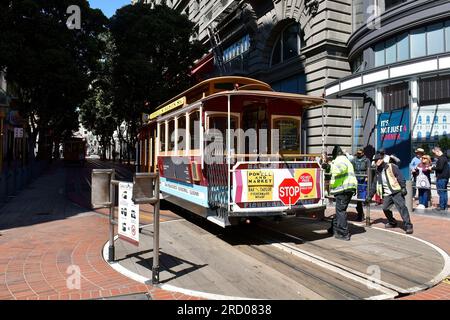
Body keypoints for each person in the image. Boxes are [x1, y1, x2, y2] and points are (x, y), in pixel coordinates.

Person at [366, 152, 414, 234]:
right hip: (387, 194)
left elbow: (400, 177)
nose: (375, 162)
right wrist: (370, 195)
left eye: (377, 160)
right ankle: (392, 222)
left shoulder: (391, 166)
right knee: (385, 208)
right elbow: (374, 184)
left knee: (402, 207)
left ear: (381, 160)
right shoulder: (377, 171)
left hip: (396, 191)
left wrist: (403, 187)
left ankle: (408, 225)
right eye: (375, 160)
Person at [322, 146, 358, 240]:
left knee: (340, 211)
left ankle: (344, 233)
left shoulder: (340, 159)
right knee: (339, 210)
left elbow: (339, 169)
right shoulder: (344, 159)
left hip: (344, 188)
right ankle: (333, 228)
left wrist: (328, 166)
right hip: (347, 189)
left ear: (335, 154)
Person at [352, 148, 370, 222]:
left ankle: (361, 211)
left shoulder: (366, 160)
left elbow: (369, 169)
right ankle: (360, 213)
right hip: (355, 178)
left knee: (361, 196)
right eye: (358, 153)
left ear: (363, 153)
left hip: (363, 179)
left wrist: (367, 177)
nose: (358, 154)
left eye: (360, 153)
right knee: (357, 197)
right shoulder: (354, 160)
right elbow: (352, 168)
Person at [431, 146, 449, 211]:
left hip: (441, 178)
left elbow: (440, 168)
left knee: (441, 192)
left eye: (434, 153)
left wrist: (432, 168)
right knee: (444, 192)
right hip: (445, 177)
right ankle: (444, 206)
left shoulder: (441, 158)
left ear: (437, 151)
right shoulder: (445, 158)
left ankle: (441, 207)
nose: (434, 155)